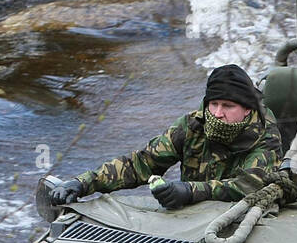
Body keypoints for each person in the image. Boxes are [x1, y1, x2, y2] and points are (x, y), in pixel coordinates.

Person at [48, 64, 282, 209]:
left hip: (241, 217)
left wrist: (188, 191)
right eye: (214, 104)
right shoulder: (193, 126)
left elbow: (249, 186)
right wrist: (84, 182)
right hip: (191, 217)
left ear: (247, 109)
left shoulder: (264, 135)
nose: (218, 114)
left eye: (228, 106)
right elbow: (143, 163)